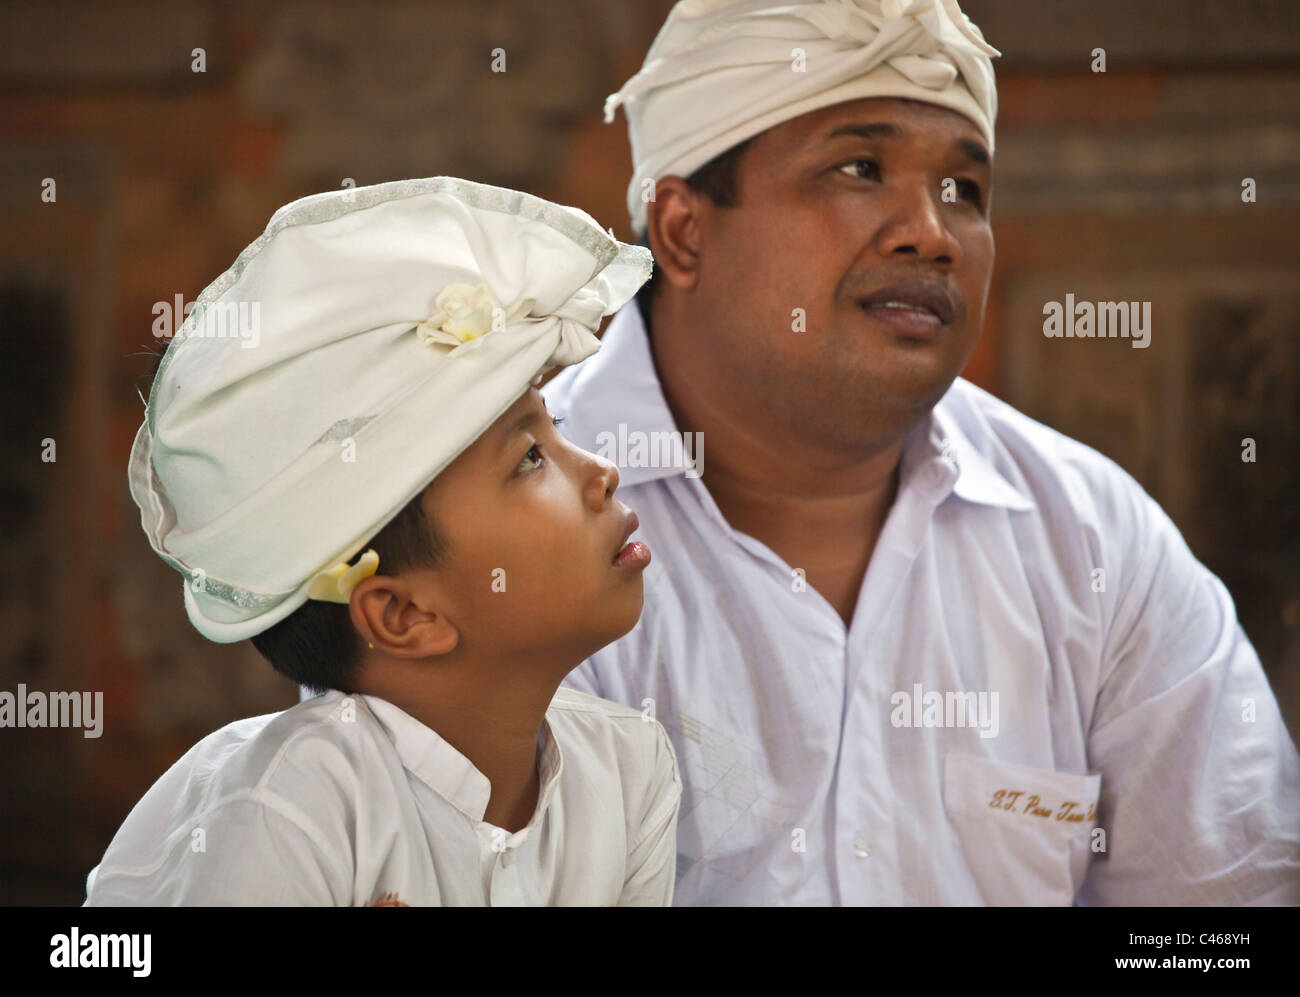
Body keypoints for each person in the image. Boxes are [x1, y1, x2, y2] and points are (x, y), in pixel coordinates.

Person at [544, 0, 1300, 905]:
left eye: (964, 191)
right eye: (859, 169)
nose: (932, 234)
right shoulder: (506, 523)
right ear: (682, 229)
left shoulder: (1094, 543)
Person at [84, 177, 680, 906]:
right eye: (530, 457)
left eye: (553, 429)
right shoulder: (283, 814)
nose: (603, 472)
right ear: (403, 614)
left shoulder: (628, 770)